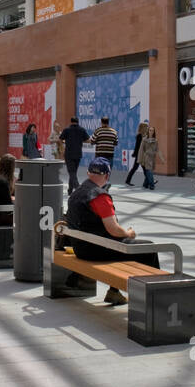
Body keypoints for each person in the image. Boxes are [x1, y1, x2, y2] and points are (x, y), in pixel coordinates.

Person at [65, 158, 159, 307]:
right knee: (148, 248)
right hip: (96, 250)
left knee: (124, 247)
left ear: (89, 172)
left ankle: (114, 292)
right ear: (107, 175)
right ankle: (153, 299)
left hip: (80, 248)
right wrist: (129, 233)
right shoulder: (100, 197)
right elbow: (113, 229)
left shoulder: (77, 192)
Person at [59, 115, 89, 194]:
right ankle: (70, 190)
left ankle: (78, 188)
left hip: (69, 154)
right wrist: (80, 141)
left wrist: (65, 142)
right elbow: (87, 140)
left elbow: (60, 139)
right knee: (73, 172)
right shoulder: (82, 130)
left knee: (72, 172)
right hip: (78, 154)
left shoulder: (67, 130)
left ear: (71, 122)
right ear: (78, 122)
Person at [138, 126, 164, 191]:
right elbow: (141, 150)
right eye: (150, 130)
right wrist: (139, 159)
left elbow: (158, 150)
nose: (151, 132)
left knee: (148, 171)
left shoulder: (155, 140)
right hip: (146, 158)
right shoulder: (144, 139)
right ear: (148, 131)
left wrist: (162, 158)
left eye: (152, 130)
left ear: (154, 132)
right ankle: (152, 185)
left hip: (152, 158)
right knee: (149, 171)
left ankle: (145, 184)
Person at [125, 121, 149, 186]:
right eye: (146, 127)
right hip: (139, 154)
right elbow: (137, 146)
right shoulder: (139, 136)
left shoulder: (144, 136)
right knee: (138, 168)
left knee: (142, 168)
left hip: (141, 154)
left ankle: (149, 180)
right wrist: (135, 153)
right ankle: (150, 180)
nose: (147, 128)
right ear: (143, 128)